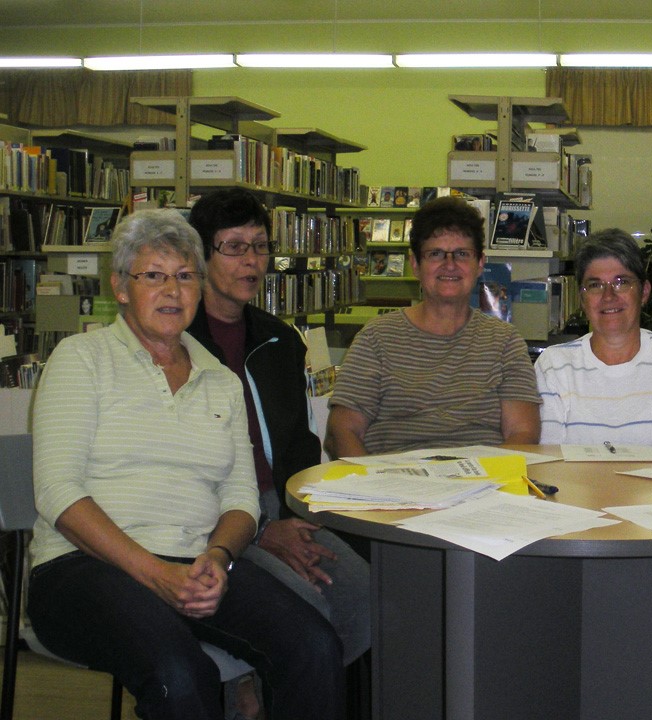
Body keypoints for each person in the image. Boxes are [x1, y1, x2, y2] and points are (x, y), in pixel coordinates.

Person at [27, 209, 343, 720]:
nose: (171, 291)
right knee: (179, 674)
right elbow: (57, 493)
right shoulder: (80, 358)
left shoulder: (220, 379)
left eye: (185, 276)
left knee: (313, 646)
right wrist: (154, 574)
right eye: (153, 275)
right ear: (121, 288)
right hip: (82, 568)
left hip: (196, 561)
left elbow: (241, 500)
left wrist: (218, 557)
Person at [185, 188, 371, 673]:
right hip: (213, 519)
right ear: (202, 256)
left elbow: (299, 445)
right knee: (306, 609)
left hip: (283, 506)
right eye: (234, 247)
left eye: (261, 246)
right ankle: (248, 691)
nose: (252, 261)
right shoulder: (178, 345)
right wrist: (264, 531)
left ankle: (276, 693)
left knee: (364, 595)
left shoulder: (278, 340)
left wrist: (312, 517)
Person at [326, 196, 540, 457]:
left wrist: (484, 483)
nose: (449, 265)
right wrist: (371, 490)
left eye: (462, 254)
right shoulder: (376, 338)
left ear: (480, 263)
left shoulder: (505, 342)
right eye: (436, 253)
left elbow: (523, 433)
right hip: (392, 485)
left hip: (482, 485)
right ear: (415, 264)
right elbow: (343, 431)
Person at [535, 228, 652, 447]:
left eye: (621, 282)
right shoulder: (553, 366)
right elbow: (550, 459)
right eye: (595, 285)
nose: (608, 296)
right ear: (582, 299)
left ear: (645, 292)